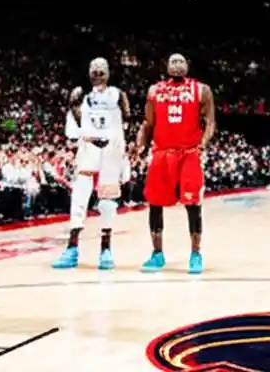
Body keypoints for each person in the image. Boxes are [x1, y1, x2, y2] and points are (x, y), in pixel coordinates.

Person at [138, 53, 215, 274]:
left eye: (182, 61)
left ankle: (195, 253)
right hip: (162, 153)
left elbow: (210, 122)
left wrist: (202, 144)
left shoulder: (201, 89)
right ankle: (157, 253)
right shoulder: (155, 90)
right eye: (174, 61)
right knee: (155, 202)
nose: (178, 64)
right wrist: (141, 144)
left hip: (188, 153)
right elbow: (148, 122)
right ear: (167, 66)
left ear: (188, 66)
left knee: (193, 205)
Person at [52, 57, 131, 270]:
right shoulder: (80, 98)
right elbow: (71, 135)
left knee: (107, 204)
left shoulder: (117, 95)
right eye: (93, 68)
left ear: (108, 72)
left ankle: (106, 249)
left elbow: (126, 121)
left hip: (110, 153)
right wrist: (76, 115)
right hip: (88, 152)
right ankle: (72, 248)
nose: (97, 71)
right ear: (88, 73)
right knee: (78, 201)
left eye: (101, 68)